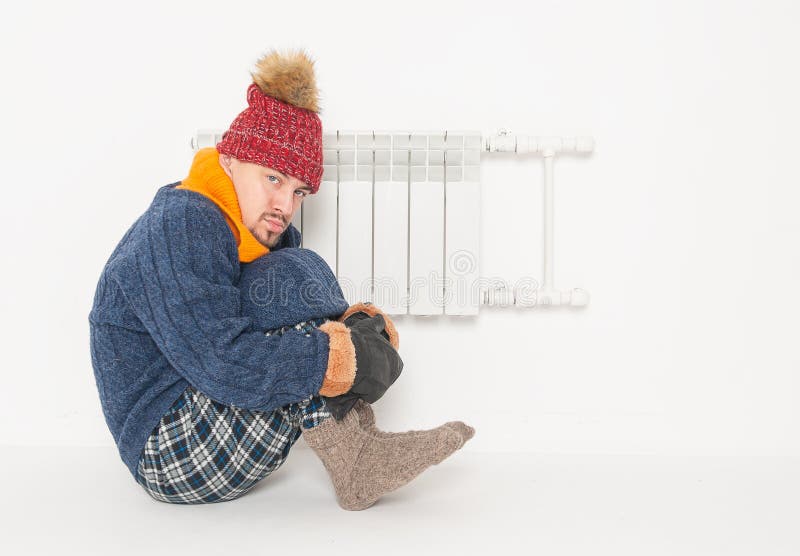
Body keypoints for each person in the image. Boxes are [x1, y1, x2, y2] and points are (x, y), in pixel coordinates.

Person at [88, 48, 474, 511]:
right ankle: (355, 462)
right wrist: (340, 356)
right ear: (229, 160)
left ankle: (359, 446)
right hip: (167, 448)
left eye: (299, 191)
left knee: (296, 274)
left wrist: (355, 328)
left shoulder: (251, 227)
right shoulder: (185, 221)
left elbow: (298, 302)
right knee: (293, 294)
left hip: (203, 410)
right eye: (272, 178)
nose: (284, 205)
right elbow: (221, 363)